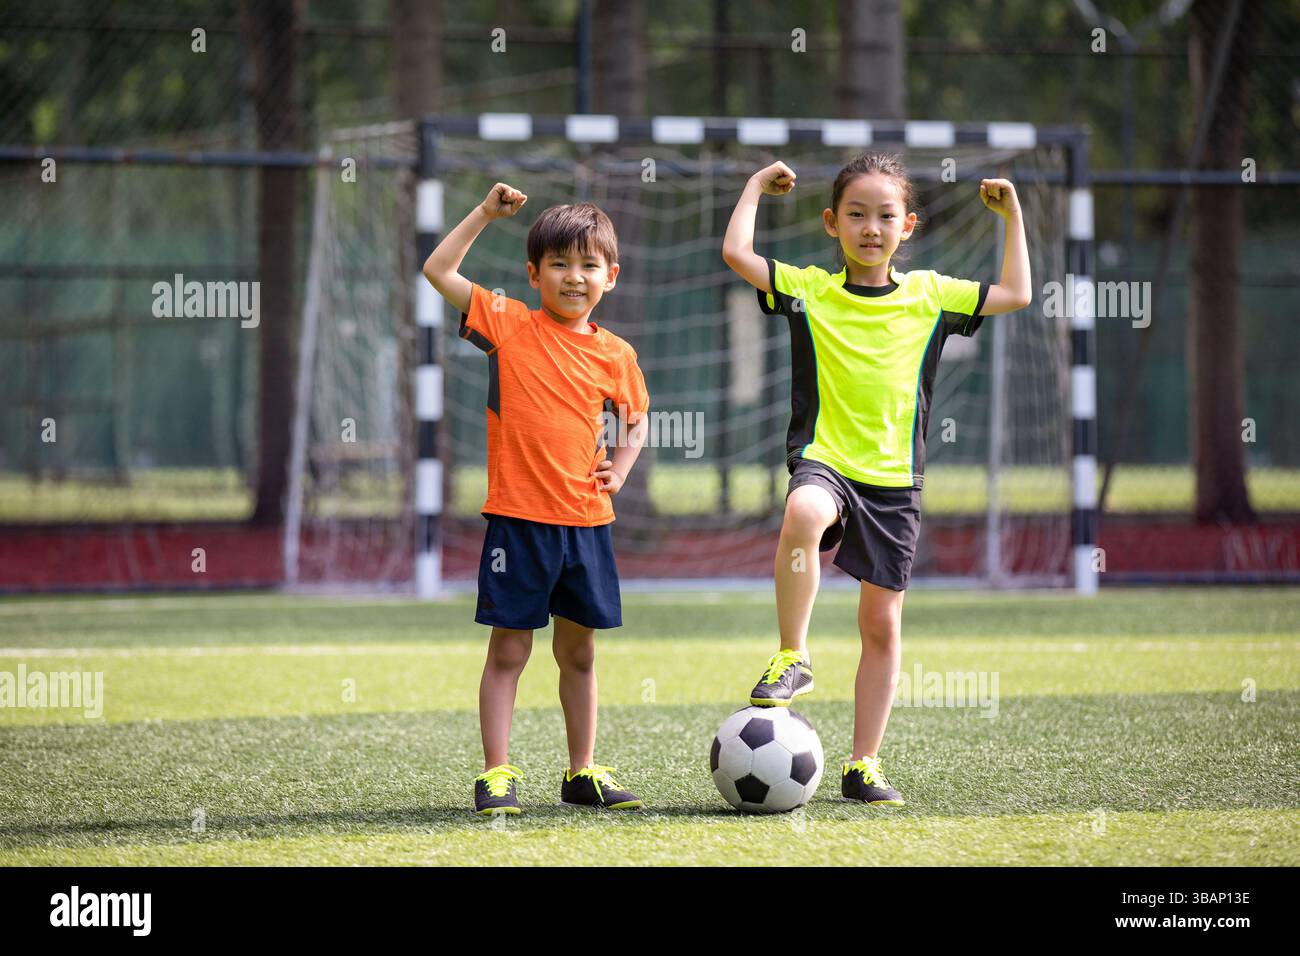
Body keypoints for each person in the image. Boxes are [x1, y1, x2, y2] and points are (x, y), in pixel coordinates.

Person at [721, 153, 1031, 806]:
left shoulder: (931, 296)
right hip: (825, 460)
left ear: (908, 226)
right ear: (831, 224)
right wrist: (753, 187)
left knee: (881, 627)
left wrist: (1013, 218)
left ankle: (864, 764)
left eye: (885, 215)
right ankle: (791, 655)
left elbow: (1016, 294)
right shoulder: (808, 288)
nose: (871, 227)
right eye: (856, 214)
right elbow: (736, 253)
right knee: (803, 513)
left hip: (895, 484)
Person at [422, 185, 651, 815]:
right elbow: (438, 269)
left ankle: (583, 772)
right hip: (518, 527)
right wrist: (485, 215)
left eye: (588, 265)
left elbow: (636, 419)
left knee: (579, 653)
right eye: (559, 264)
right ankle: (496, 774)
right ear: (533, 273)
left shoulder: (616, 354)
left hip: (586, 526)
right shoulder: (507, 324)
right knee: (510, 651)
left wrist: (622, 470)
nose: (573, 277)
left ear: (611, 276)